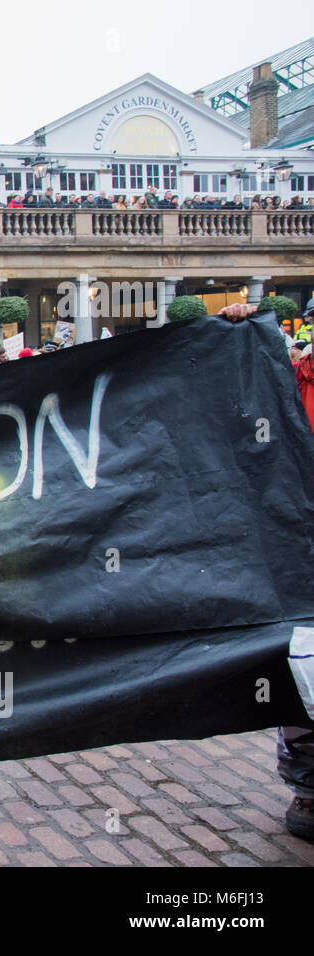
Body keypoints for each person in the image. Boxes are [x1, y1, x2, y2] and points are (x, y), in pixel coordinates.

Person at [217, 300, 314, 841]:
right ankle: (309, 789)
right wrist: (241, 332)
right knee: (301, 662)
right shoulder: (297, 373)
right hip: (297, 530)